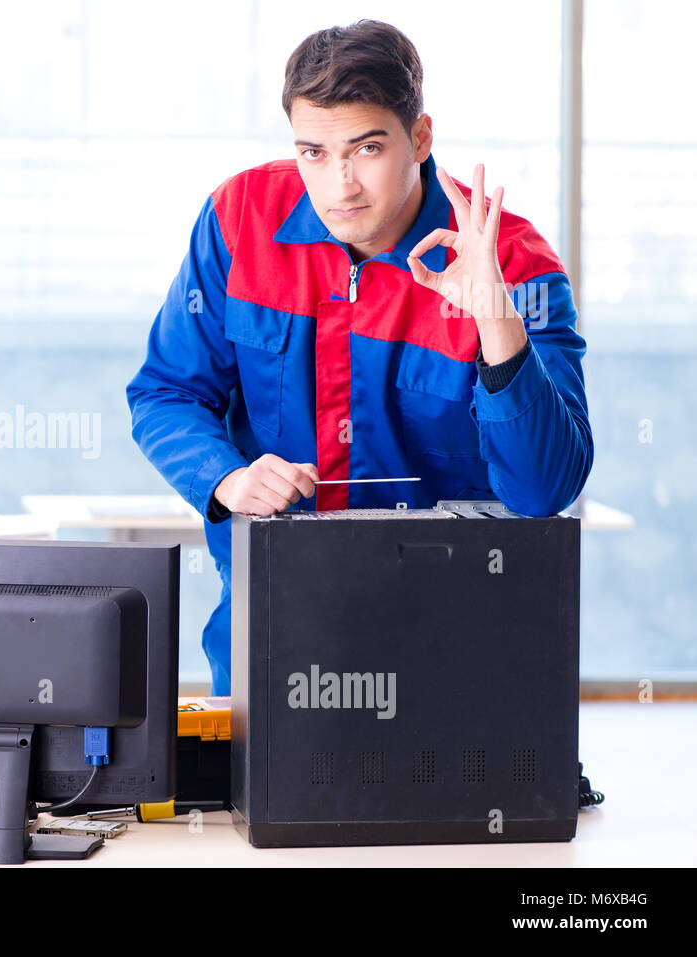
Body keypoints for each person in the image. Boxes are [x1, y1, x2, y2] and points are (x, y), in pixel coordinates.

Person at [126, 20, 592, 695]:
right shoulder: (239, 220)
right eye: (313, 152)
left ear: (420, 137)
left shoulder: (514, 262)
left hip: (458, 651)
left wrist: (496, 316)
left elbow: (546, 487)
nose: (339, 184)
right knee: (249, 803)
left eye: (366, 149)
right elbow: (166, 391)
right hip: (273, 633)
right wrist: (226, 477)